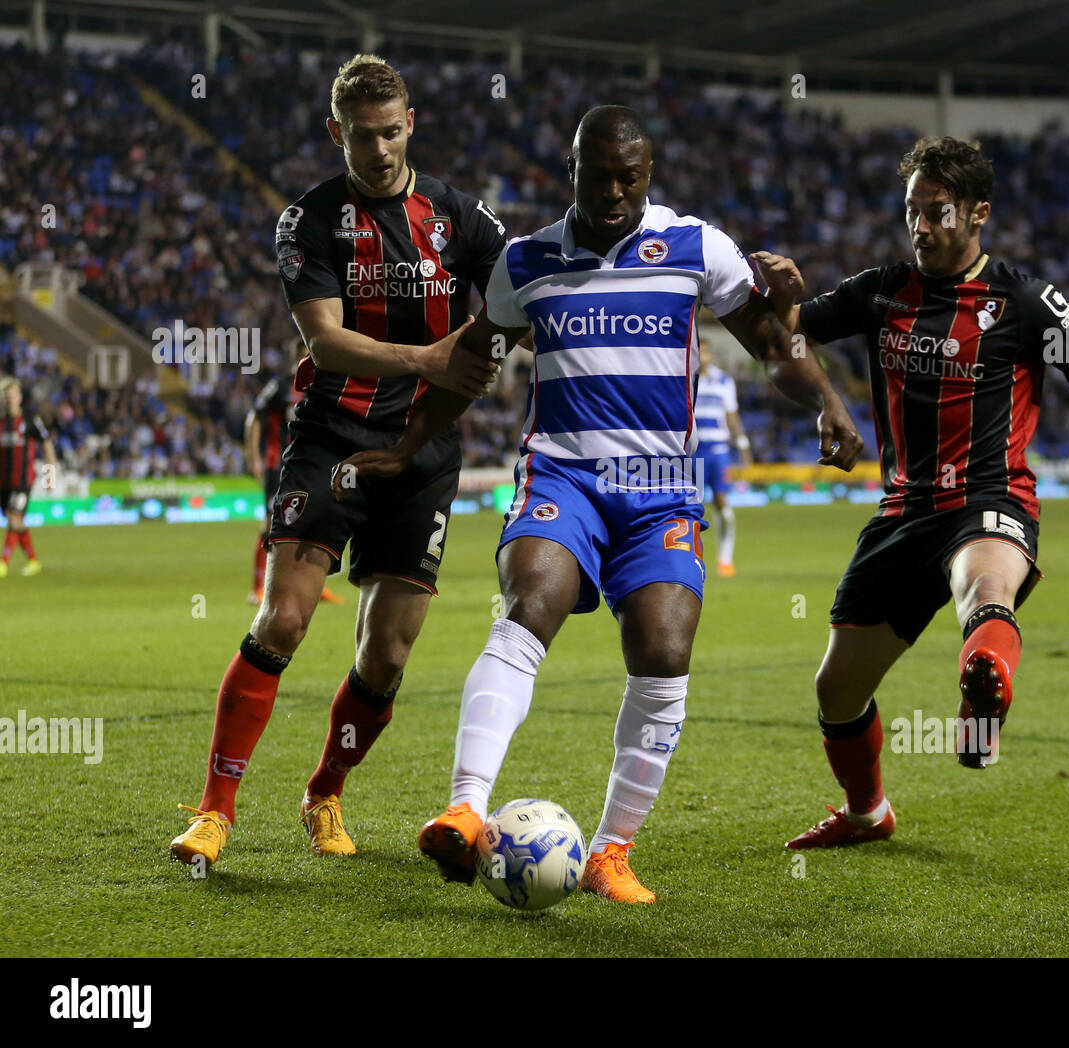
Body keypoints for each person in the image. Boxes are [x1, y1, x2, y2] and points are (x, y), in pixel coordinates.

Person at [335, 105, 864, 902]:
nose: (614, 192)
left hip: (661, 493)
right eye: (599, 175)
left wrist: (826, 397)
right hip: (563, 477)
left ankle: (612, 851)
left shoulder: (697, 246)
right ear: (571, 169)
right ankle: (466, 811)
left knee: (663, 648)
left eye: (630, 177)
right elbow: (471, 362)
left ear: (648, 175)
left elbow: (769, 340)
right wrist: (409, 446)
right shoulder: (527, 260)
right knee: (530, 603)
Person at [749, 136, 1069, 850]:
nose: (921, 227)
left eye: (937, 212)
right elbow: (787, 339)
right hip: (904, 511)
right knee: (835, 692)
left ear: (978, 215)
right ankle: (868, 814)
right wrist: (783, 303)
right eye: (913, 211)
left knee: (983, 589)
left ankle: (983, 697)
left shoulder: (1024, 300)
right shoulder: (881, 289)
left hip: (989, 499)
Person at [169, 54, 505, 868]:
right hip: (331, 437)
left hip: (424, 449)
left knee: (386, 653)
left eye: (392, 132)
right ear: (336, 133)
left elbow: (520, 297)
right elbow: (323, 338)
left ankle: (325, 793)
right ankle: (214, 812)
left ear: (411, 123)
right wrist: (435, 360)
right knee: (284, 616)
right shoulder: (309, 218)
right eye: (363, 136)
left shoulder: (461, 217)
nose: (381, 149)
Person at [244, 346, 343, 606]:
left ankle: (313, 586)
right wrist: (253, 457)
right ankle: (258, 588)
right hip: (279, 466)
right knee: (270, 523)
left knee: (315, 523)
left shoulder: (321, 385)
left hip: (311, 465)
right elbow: (255, 418)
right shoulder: (280, 386)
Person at [694, 338, 752, 576]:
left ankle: (725, 559)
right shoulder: (686, 380)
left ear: (711, 355)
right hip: (694, 451)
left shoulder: (724, 381)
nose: (703, 357)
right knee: (691, 506)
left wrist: (743, 445)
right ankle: (692, 558)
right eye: (699, 352)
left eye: (706, 352)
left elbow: (732, 416)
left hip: (718, 449)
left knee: (722, 503)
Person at [0, 376, 55, 578]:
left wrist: (50, 476)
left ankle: (2, 563)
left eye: (12, 394)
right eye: (6, 395)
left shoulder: (30, 420)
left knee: (14, 517)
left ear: (19, 397)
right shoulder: (1, 422)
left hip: (23, 481)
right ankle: (33, 561)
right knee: (15, 521)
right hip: (3, 482)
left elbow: (47, 445)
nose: (9, 399)